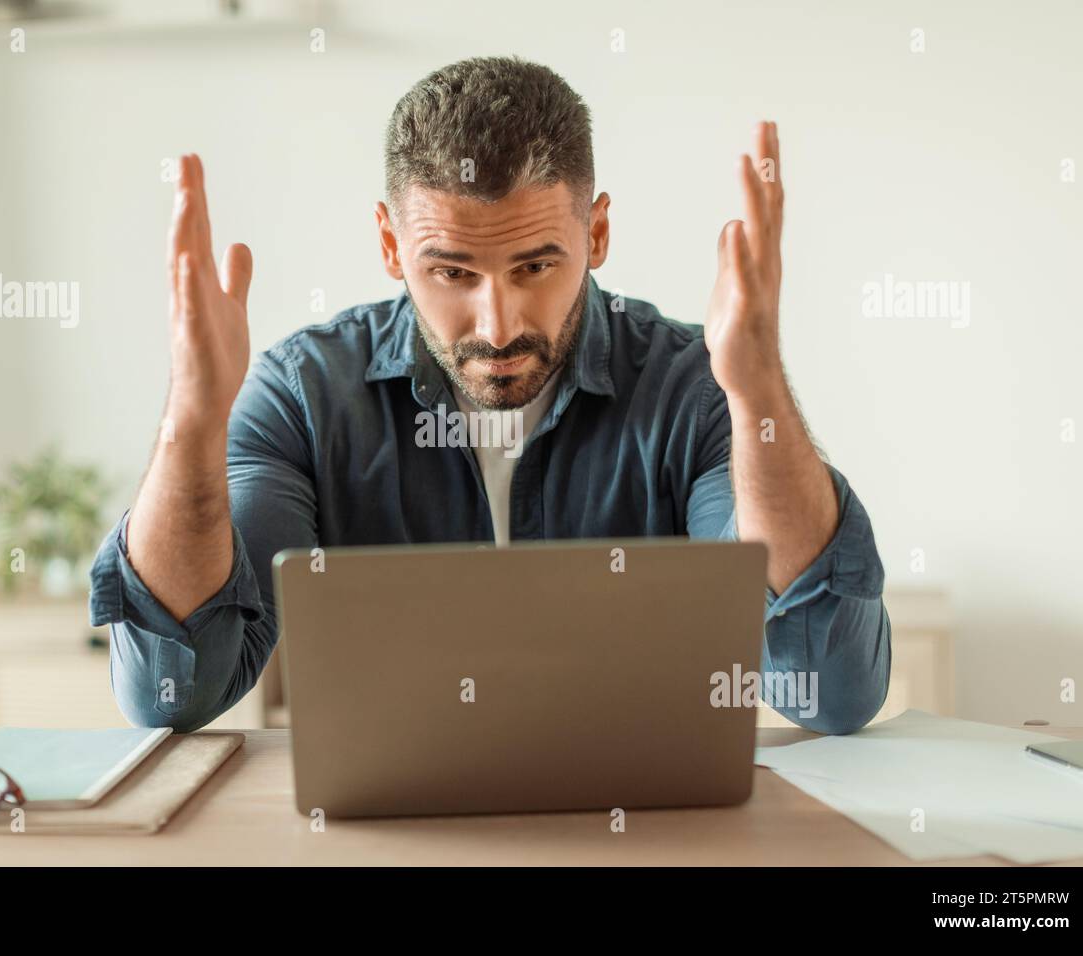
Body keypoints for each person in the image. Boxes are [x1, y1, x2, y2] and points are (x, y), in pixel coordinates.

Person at [89, 55, 890, 735]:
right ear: (388, 244)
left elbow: (829, 691)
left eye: (536, 266)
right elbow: (175, 693)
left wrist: (756, 398)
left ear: (597, 235)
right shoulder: (305, 396)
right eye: (452, 273)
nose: (498, 322)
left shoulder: (691, 387)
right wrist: (191, 423)